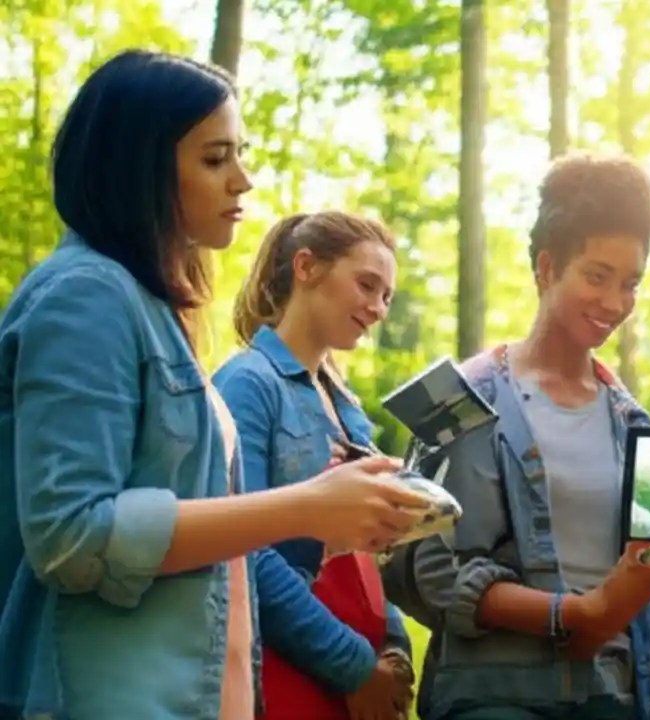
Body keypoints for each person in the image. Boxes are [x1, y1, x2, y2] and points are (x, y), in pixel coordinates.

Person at [0, 50, 429, 720]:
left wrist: (334, 523)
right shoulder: (86, 296)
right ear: (140, 166)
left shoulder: (155, 312)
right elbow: (72, 535)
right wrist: (303, 509)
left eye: (240, 155)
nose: (243, 180)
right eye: (214, 158)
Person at [382, 153, 650, 720]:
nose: (615, 302)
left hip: (611, 693)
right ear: (547, 268)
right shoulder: (468, 397)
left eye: (630, 284)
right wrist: (577, 615)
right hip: (499, 696)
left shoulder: (630, 420)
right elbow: (436, 572)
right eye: (596, 276)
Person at [214, 212, 416, 719]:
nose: (378, 309)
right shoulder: (247, 385)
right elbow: (242, 553)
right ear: (306, 267)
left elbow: (370, 553)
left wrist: (393, 649)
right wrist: (353, 666)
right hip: (286, 676)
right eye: (366, 285)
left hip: (353, 683)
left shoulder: (348, 408)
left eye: (387, 297)